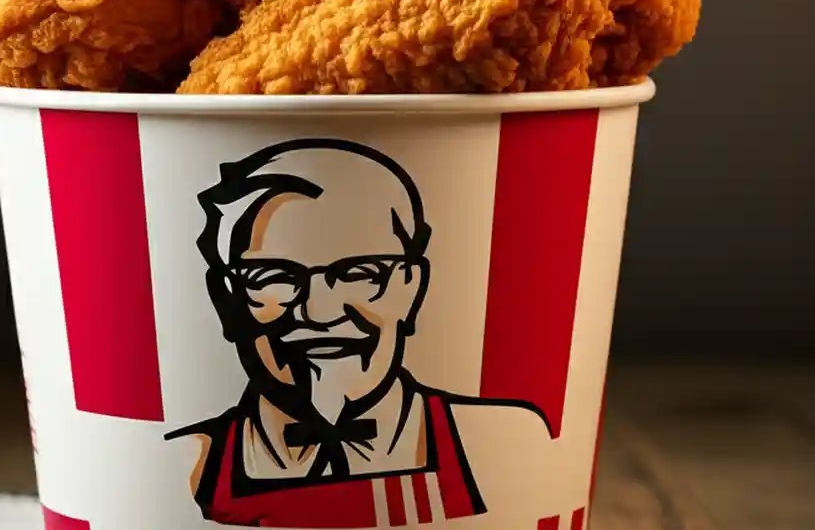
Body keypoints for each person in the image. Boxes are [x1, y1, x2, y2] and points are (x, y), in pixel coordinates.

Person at [166, 139, 549, 528]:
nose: (320, 312)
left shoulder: (500, 441)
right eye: (275, 277)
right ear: (226, 300)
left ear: (411, 290)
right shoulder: (179, 466)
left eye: (361, 274)